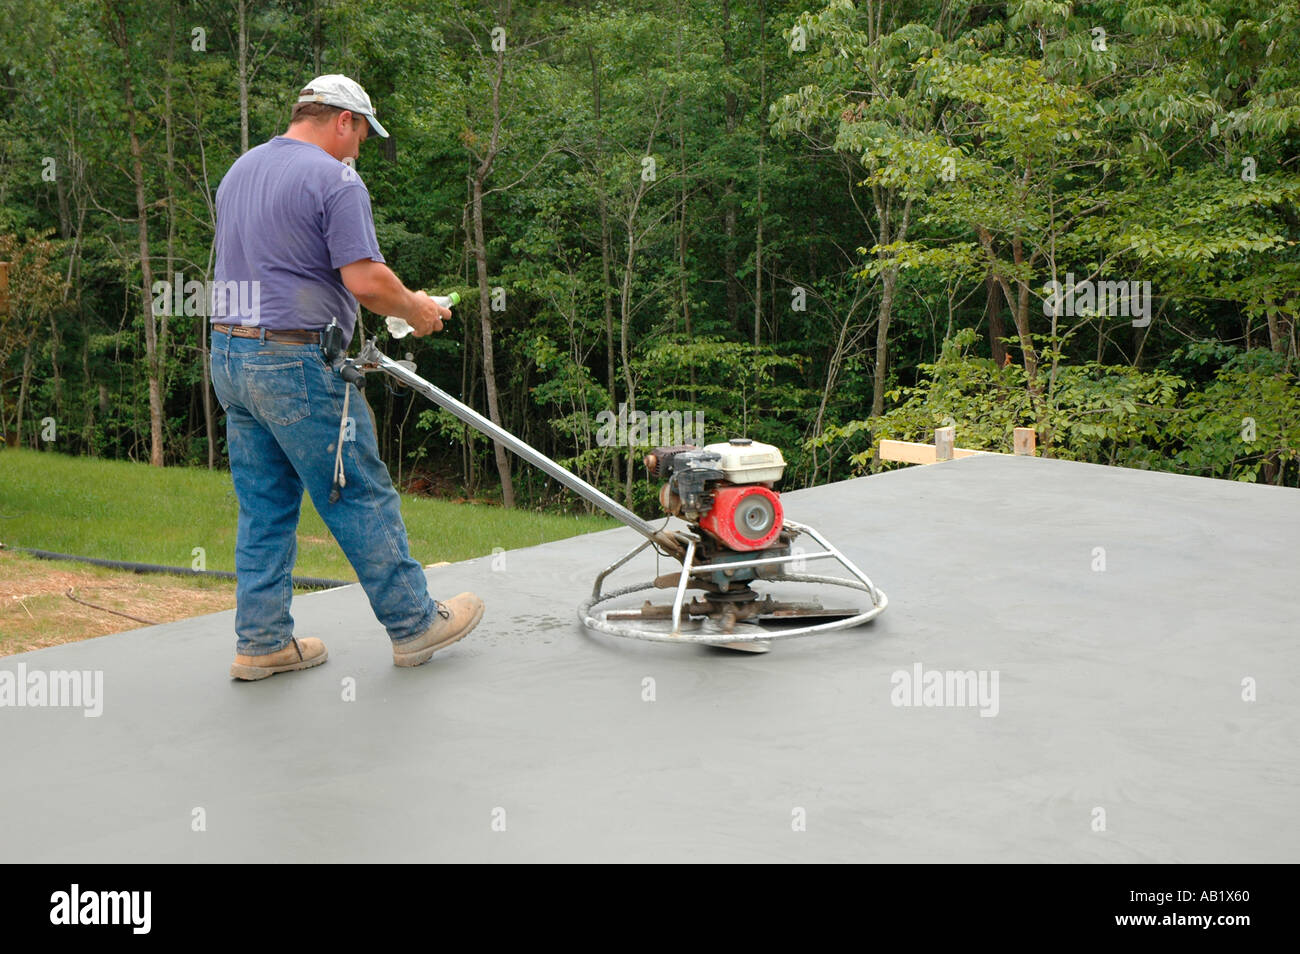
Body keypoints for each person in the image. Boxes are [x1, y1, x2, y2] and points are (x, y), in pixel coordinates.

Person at [209, 74, 483, 680]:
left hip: (230, 355)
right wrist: (417, 308)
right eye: (361, 132)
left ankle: (261, 642)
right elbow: (364, 281)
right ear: (341, 119)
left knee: (264, 505)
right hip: (296, 363)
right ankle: (415, 624)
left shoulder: (242, 169)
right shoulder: (336, 179)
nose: (360, 148)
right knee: (357, 489)